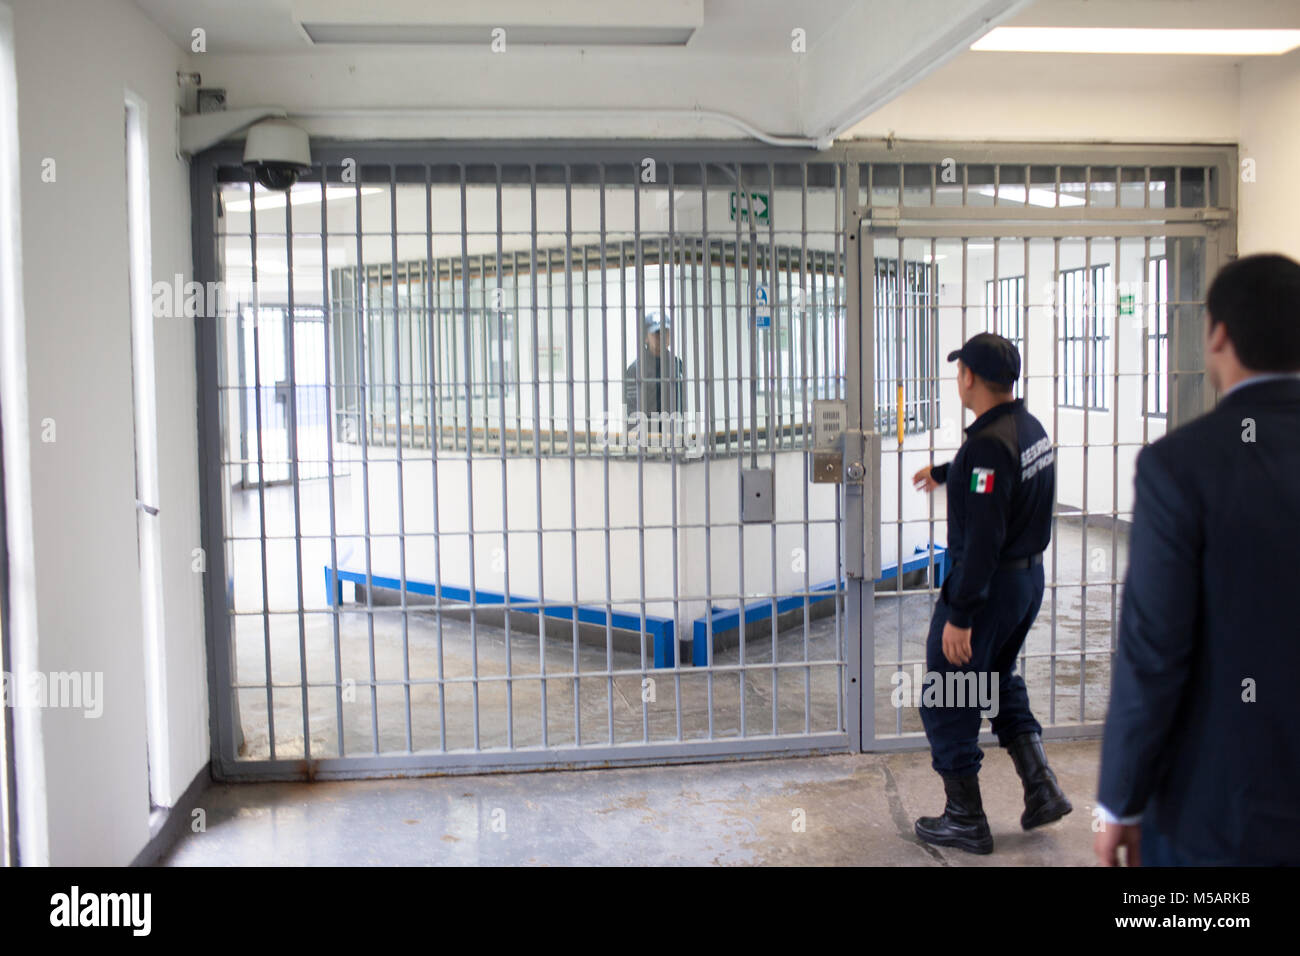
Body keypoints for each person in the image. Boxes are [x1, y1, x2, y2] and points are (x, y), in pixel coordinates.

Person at [1095, 253, 1300, 867]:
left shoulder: (1181, 466)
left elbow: (1154, 650)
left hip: (1224, 811)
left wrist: (1120, 801)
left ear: (1218, 334)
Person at [910, 332, 1070, 854]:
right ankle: (1040, 785)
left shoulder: (985, 444)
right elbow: (996, 480)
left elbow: (982, 537)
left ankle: (966, 818)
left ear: (969, 377)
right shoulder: (1029, 429)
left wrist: (960, 614)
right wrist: (944, 472)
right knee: (995, 679)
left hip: (990, 587)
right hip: (1028, 582)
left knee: (948, 696)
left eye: (960, 370)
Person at [623, 310, 685, 420]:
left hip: (674, 433)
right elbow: (632, 412)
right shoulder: (635, 369)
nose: (661, 336)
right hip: (646, 434)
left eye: (665, 331)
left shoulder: (678, 366)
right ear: (645, 337)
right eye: (656, 332)